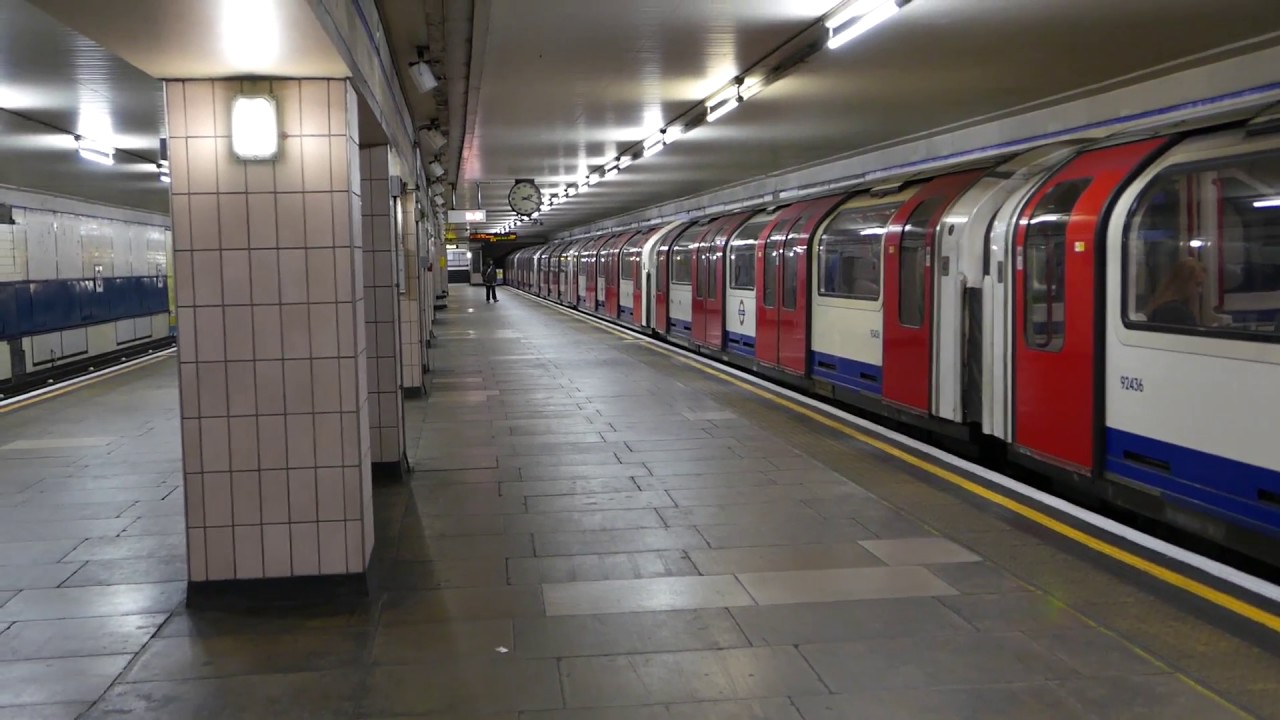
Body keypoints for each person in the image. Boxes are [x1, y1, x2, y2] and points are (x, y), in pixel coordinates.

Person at [1145, 257, 1206, 326]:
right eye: (1197, 284)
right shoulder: (1176, 312)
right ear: (1184, 283)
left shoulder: (1161, 305)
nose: (1200, 291)